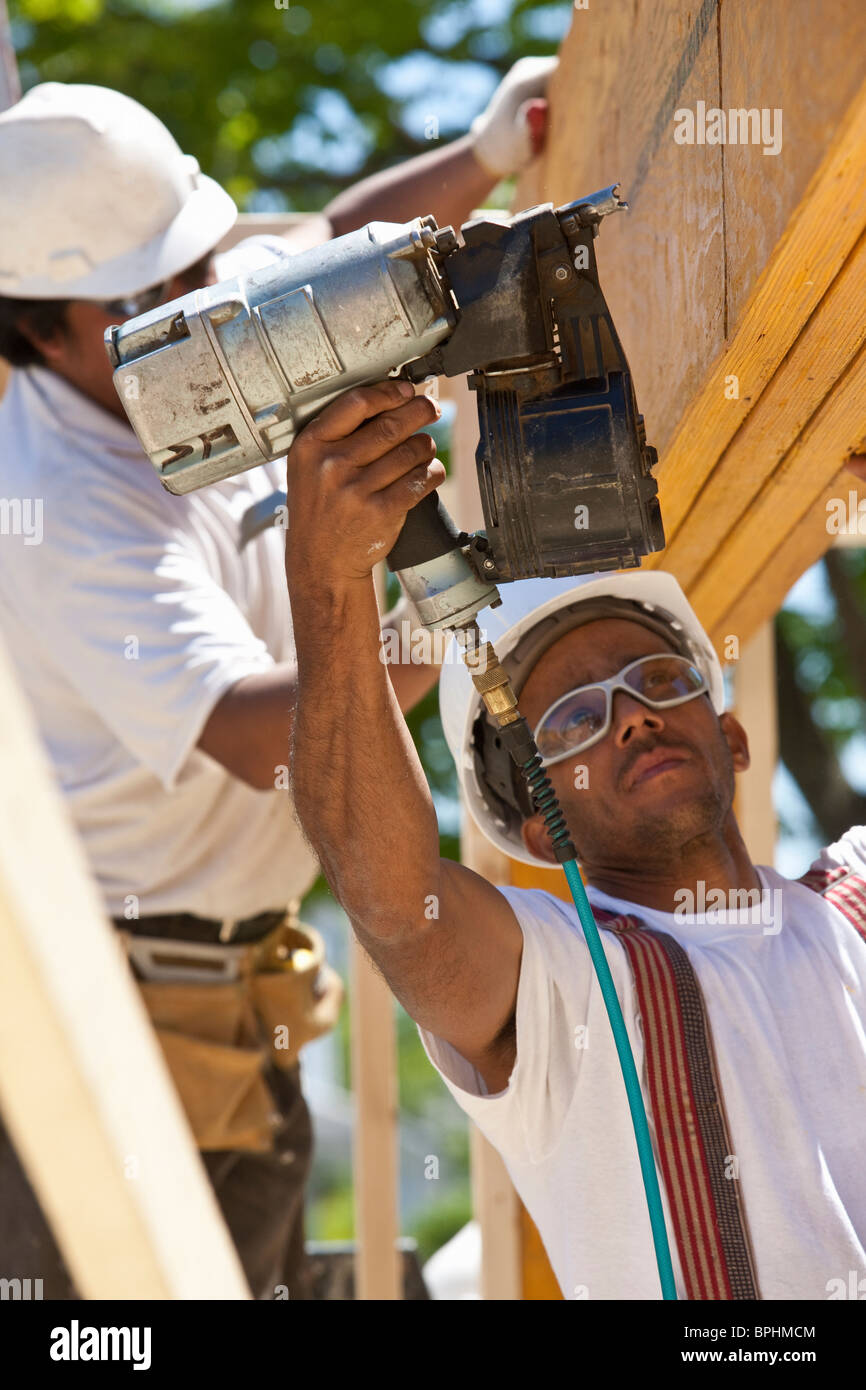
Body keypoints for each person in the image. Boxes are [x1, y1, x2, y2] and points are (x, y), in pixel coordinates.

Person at [0, 58, 556, 1300]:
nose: (196, 304)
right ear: (36, 328)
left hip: (236, 1011)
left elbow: (327, 246)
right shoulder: (51, 499)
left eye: (195, 268)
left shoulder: (193, 320)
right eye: (148, 293)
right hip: (111, 1044)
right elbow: (273, 740)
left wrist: (482, 154)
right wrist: (450, 578)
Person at [283, 381, 866, 1299]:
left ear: (735, 738)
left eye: (661, 677)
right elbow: (397, 902)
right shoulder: (563, 981)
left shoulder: (852, 907)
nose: (631, 717)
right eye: (573, 722)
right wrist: (331, 589)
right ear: (534, 831)